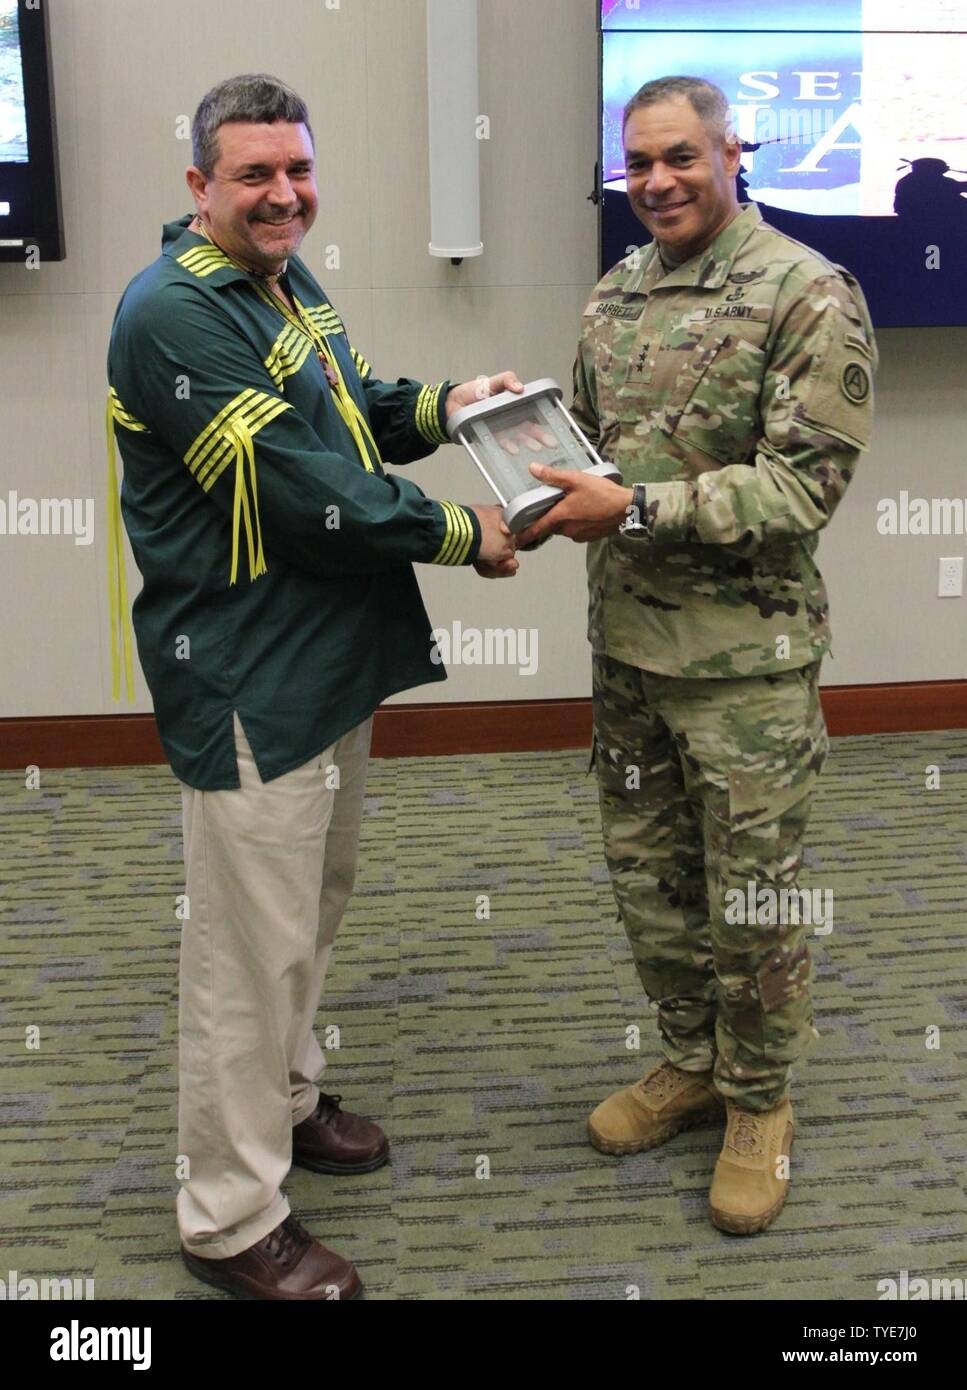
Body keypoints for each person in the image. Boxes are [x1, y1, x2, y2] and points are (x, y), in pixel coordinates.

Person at [105, 72, 520, 1301]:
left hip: (330, 659)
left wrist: (448, 407)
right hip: (245, 676)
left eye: (296, 169)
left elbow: (346, 416)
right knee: (244, 954)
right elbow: (306, 489)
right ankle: (229, 1219)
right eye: (252, 175)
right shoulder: (168, 316)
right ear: (198, 188)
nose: (283, 193)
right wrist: (466, 531)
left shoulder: (281, 277)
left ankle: (283, 1104)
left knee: (306, 916)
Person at [518, 75, 877, 1236]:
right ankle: (690, 1061)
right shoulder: (616, 291)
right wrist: (507, 443)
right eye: (638, 165)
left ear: (734, 152)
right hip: (626, 652)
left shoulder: (805, 290)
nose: (658, 182)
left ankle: (760, 1100)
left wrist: (629, 510)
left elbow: (798, 488)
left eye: (680, 157)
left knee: (752, 899)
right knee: (651, 885)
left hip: (746, 673)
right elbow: (583, 445)